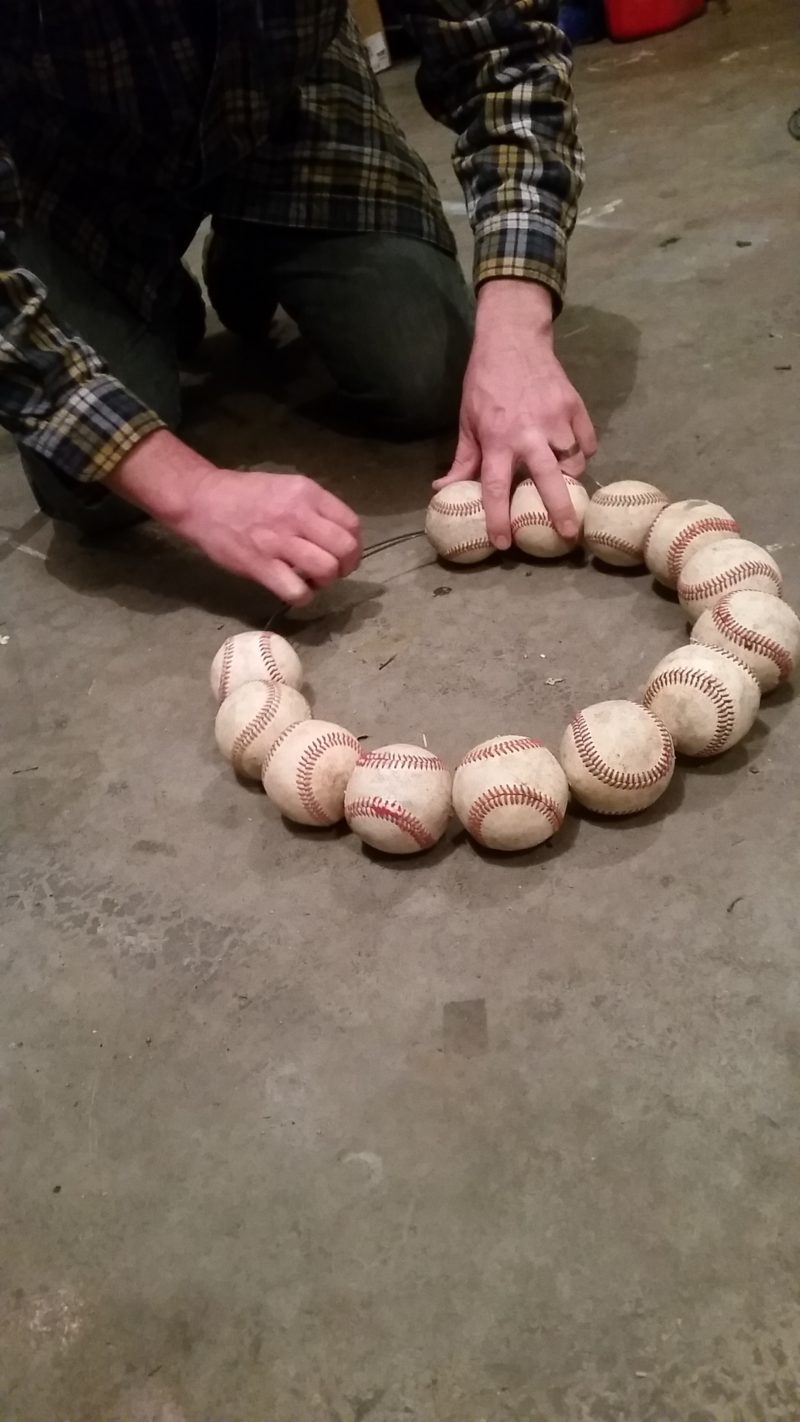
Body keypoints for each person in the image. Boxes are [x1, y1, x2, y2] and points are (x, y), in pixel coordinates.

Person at [0, 0, 596, 606]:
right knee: (88, 482)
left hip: (280, 98)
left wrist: (517, 324)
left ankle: (260, 246)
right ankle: (146, 294)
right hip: (63, 160)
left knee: (429, 374)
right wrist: (192, 490)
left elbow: (507, 54)